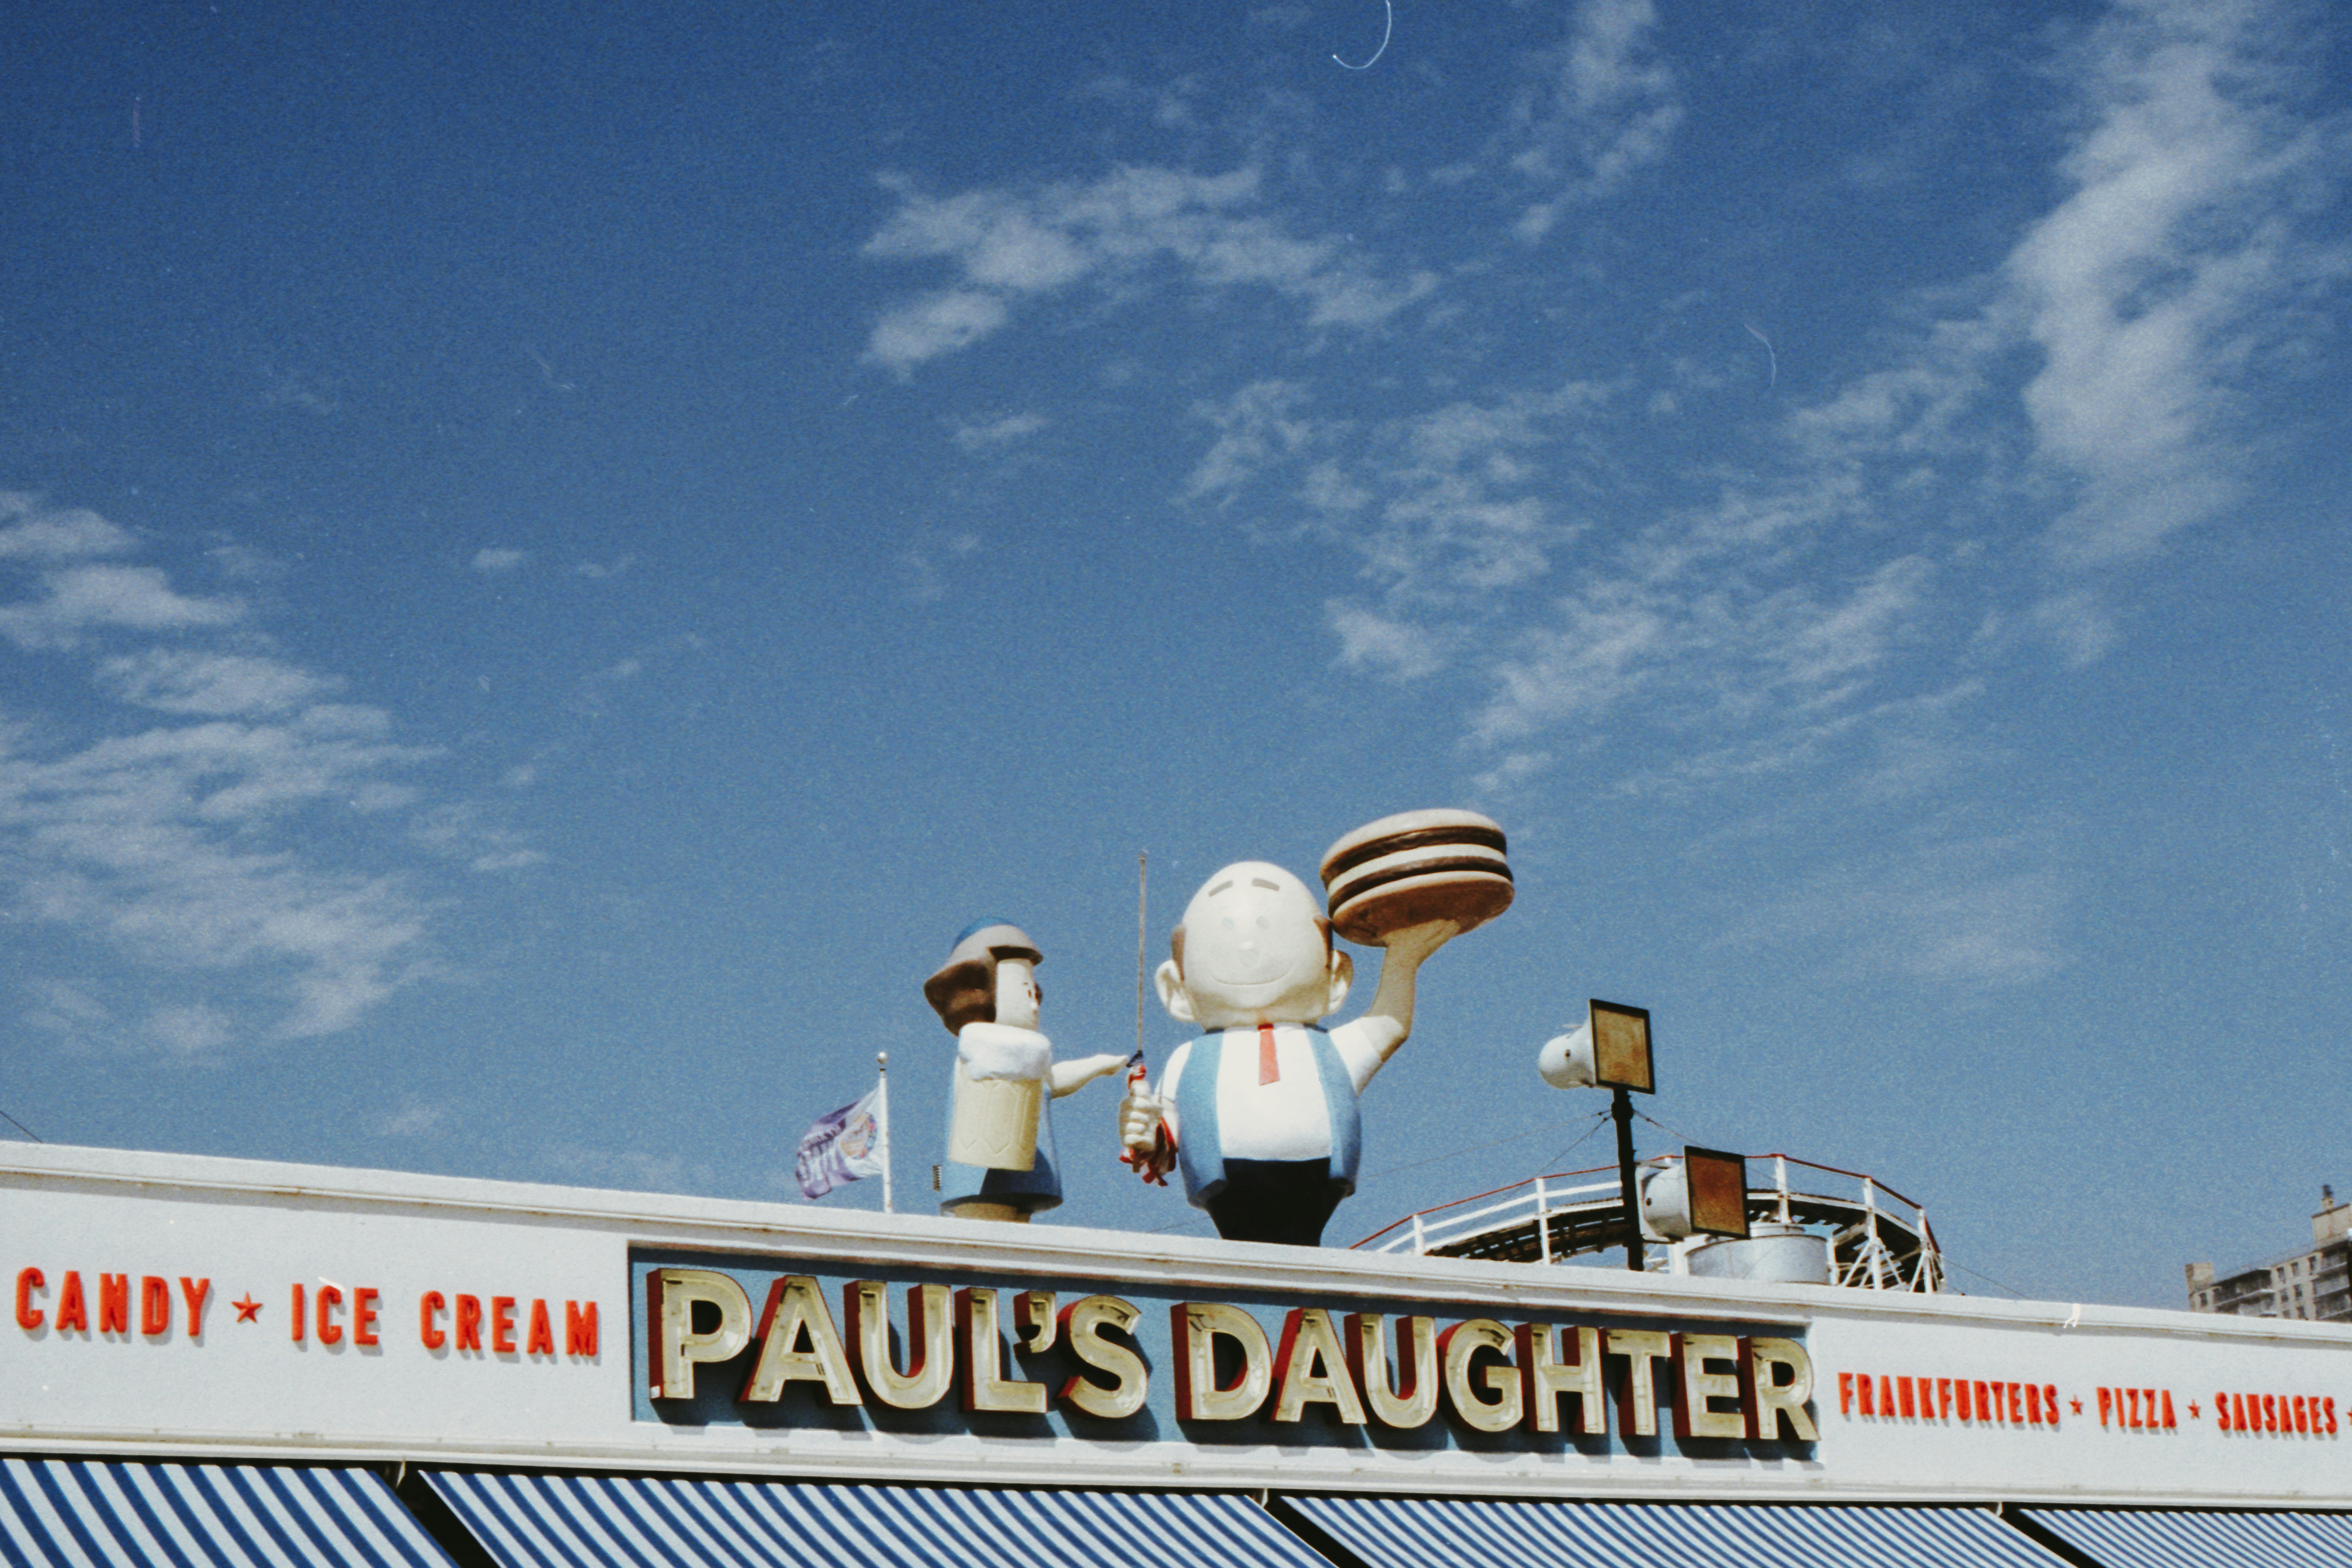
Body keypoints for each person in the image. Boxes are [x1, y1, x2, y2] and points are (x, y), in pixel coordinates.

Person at [1117, 865, 1457, 1245]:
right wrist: (1146, 1133)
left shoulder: (1329, 1050)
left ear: (1336, 978)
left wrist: (1404, 958)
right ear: (1176, 990)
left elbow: (1388, 1025)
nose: (1249, 950)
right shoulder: (1188, 1059)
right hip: (1224, 1179)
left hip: (1318, 1178)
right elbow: (1164, 1129)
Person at [924, 920, 1125, 1222]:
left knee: (1014, 1241)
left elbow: (1050, 1080)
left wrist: (1097, 1065)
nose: (1033, 1004)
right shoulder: (979, 1043)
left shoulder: (1023, 1056)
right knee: (987, 1240)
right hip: (981, 1177)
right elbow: (1009, 1060)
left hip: (1023, 1170)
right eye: (1024, 991)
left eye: (1034, 994)